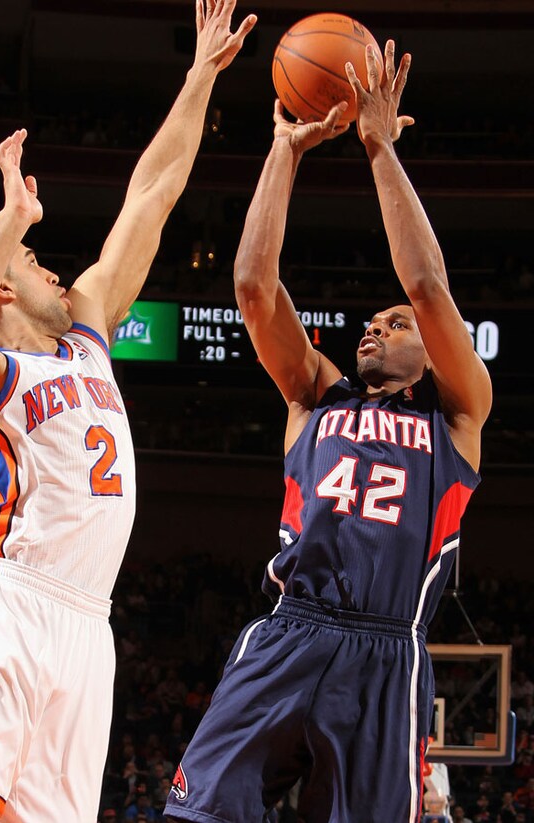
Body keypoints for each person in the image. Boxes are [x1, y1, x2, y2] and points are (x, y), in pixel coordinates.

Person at [0, 2, 256, 821]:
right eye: (35, 262)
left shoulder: (86, 332)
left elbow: (152, 197)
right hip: (10, 605)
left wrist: (200, 77)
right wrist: (8, 223)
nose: (58, 274)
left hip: (89, 628)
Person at [165, 40, 492, 823]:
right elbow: (251, 282)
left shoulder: (458, 414)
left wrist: (378, 148)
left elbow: (426, 283)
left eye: (394, 323)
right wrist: (283, 150)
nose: (375, 326)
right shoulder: (315, 395)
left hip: (386, 652)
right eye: (370, 321)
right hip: (291, 629)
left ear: (433, 349)